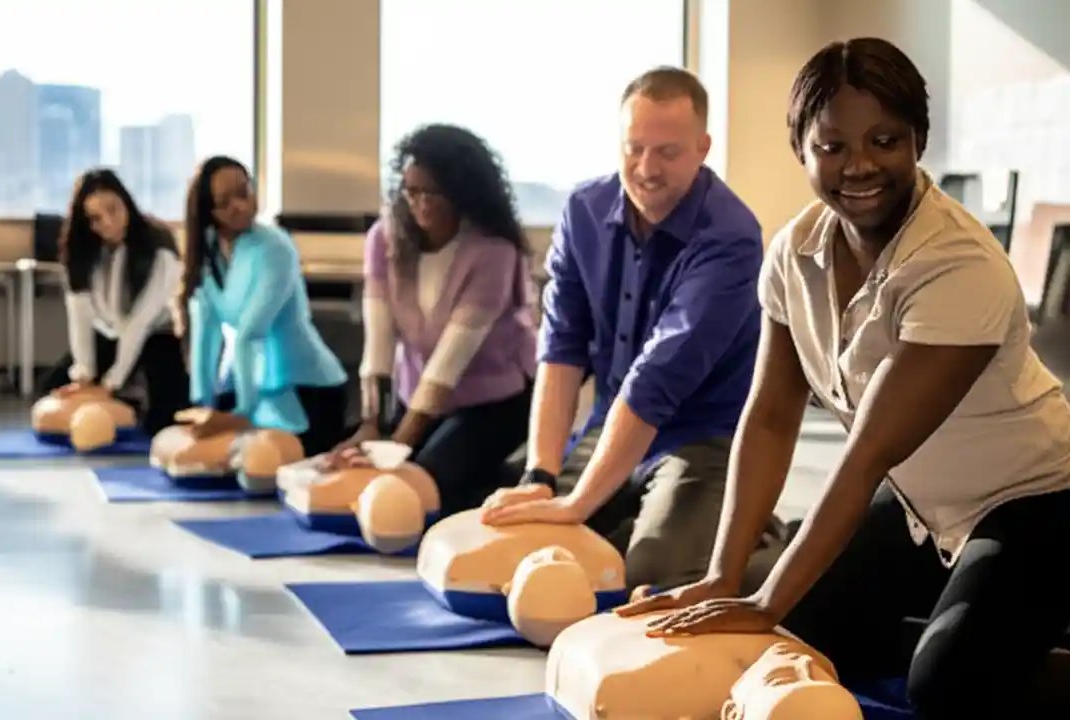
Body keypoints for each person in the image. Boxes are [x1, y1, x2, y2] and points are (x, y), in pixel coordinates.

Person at [617, 38, 1070, 718]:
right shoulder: (794, 252)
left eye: (884, 140)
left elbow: (866, 457)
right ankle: (980, 623)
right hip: (921, 504)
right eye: (831, 146)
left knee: (948, 684)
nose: (858, 165)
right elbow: (770, 416)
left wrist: (764, 599)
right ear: (802, 148)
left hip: (1038, 498)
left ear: (917, 139)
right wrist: (722, 575)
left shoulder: (957, 264)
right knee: (803, 629)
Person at [480, 66, 775, 593]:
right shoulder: (583, 210)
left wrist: (576, 504)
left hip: (705, 436)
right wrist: (541, 478)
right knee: (529, 548)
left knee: (654, 576)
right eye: (634, 148)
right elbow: (561, 348)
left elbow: (657, 381)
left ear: (703, 147)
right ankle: (644, 521)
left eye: (667, 152)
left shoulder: (732, 237)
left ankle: (760, 534)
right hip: (613, 422)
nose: (646, 168)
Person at [330, 124, 537, 516]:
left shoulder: (494, 251)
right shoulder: (384, 240)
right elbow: (378, 341)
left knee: (419, 488)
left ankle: (524, 490)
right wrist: (371, 424)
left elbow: (447, 364)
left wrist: (399, 446)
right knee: (380, 476)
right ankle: (498, 478)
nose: (422, 204)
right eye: (412, 192)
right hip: (418, 401)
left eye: (435, 193)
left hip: (496, 401)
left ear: (463, 193)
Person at [180, 155, 349, 456]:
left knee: (263, 468)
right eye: (224, 202)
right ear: (209, 211)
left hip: (305, 388)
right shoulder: (209, 254)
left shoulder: (275, 247)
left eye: (244, 193)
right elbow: (206, 334)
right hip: (249, 385)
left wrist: (242, 414)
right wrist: (202, 404)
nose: (240, 206)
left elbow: (250, 331)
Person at [40, 168, 188, 436]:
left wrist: (109, 383)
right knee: (52, 389)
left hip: (157, 335)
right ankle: (121, 399)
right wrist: (84, 375)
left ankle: (127, 398)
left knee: (162, 418)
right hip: (111, 334)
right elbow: (80, 315)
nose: (108, 223)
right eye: (95, 218)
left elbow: (140, 321)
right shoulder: (82, 253)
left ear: (126, 203)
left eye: (113, 209)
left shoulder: (158, 245)